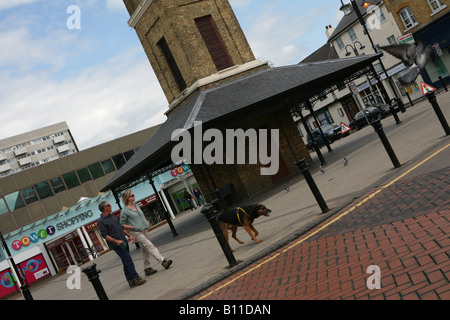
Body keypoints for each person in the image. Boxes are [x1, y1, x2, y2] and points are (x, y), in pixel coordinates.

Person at [119, 190, 173, 276]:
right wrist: (132, 227)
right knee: (149, 246)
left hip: (144, 229)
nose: (134, 196)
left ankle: (147, 268)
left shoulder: (136, 205)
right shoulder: (124, 211)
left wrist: (146, 223)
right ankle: (163, 261)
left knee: (145, 249)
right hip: (136, 232)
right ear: (128, 198)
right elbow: (122, 224)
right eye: (132, 195)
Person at [97, 200, 146, 288]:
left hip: (123, 242)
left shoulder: (112, 216)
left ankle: (130, 281)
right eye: (109, 205)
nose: (111, 206)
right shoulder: (101, 221)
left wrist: (129, 235)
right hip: (117, 245)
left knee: (125, 261)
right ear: (105, 208)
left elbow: (120, 227)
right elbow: (105, 235)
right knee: (128, 259)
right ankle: (136, 278)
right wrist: (116, 241)